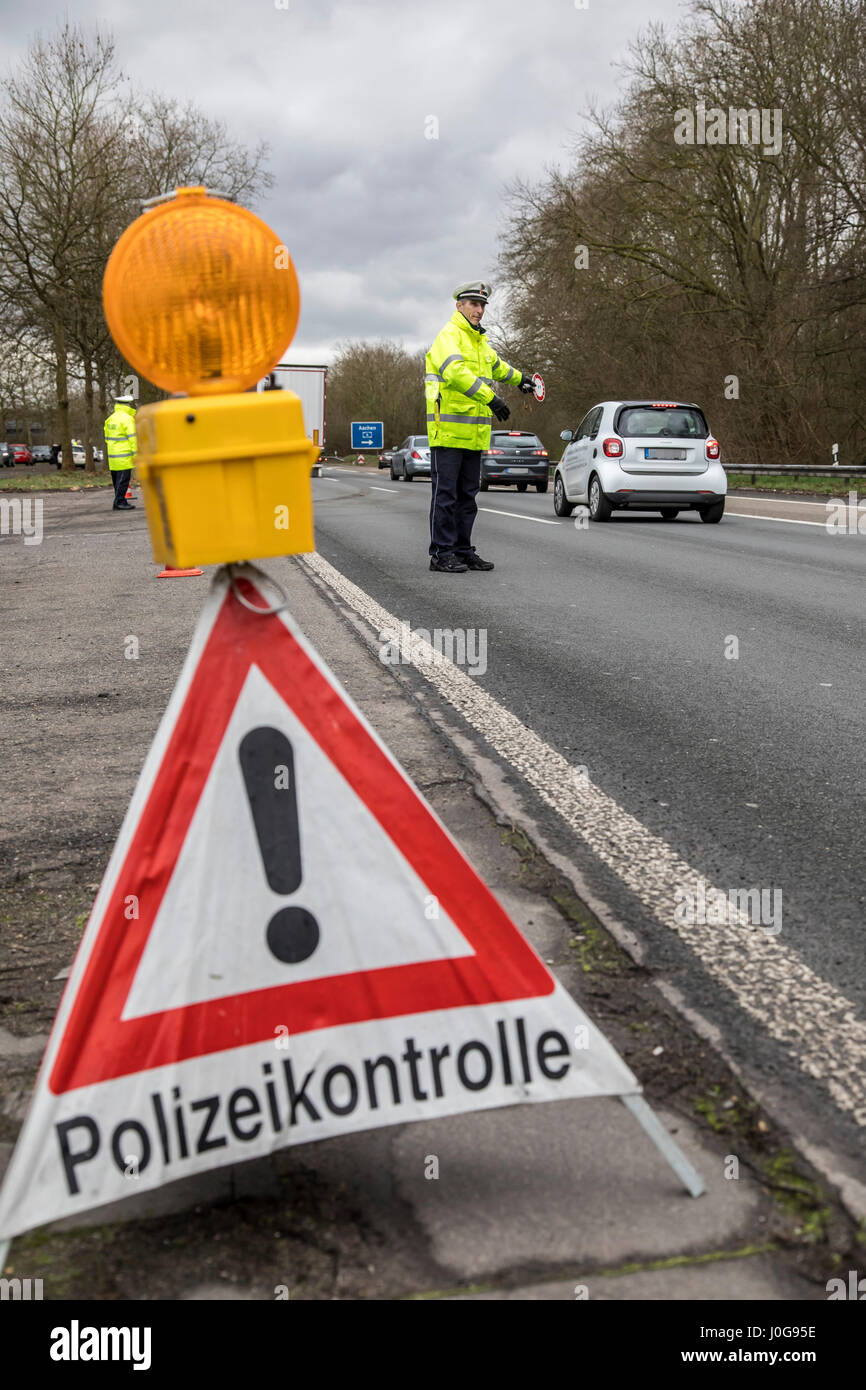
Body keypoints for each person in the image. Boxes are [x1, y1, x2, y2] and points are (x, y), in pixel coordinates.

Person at [425, 281, 537, 572]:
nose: (479, 310)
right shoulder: (449, 336)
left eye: (482, 305)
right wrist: (492, 398)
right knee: (446, 496)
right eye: (473, 304)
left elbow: (498, 366)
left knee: (467, 498)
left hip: (474, 436)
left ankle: (462, 550)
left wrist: (522, 378)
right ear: (459, 306)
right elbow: (455, 373)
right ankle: (441, 554)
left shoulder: (480, 342)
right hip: (448, 433)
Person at [103, 393, 138, 510]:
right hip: (124, 455)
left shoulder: (110, 419)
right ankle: (119, 502)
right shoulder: (128, 419)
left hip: (113, 456)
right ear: (128, 405)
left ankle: (119, 500)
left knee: (117, 481)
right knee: (123, 481)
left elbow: (107, 438)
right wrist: (136, 454)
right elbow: (133, 438)